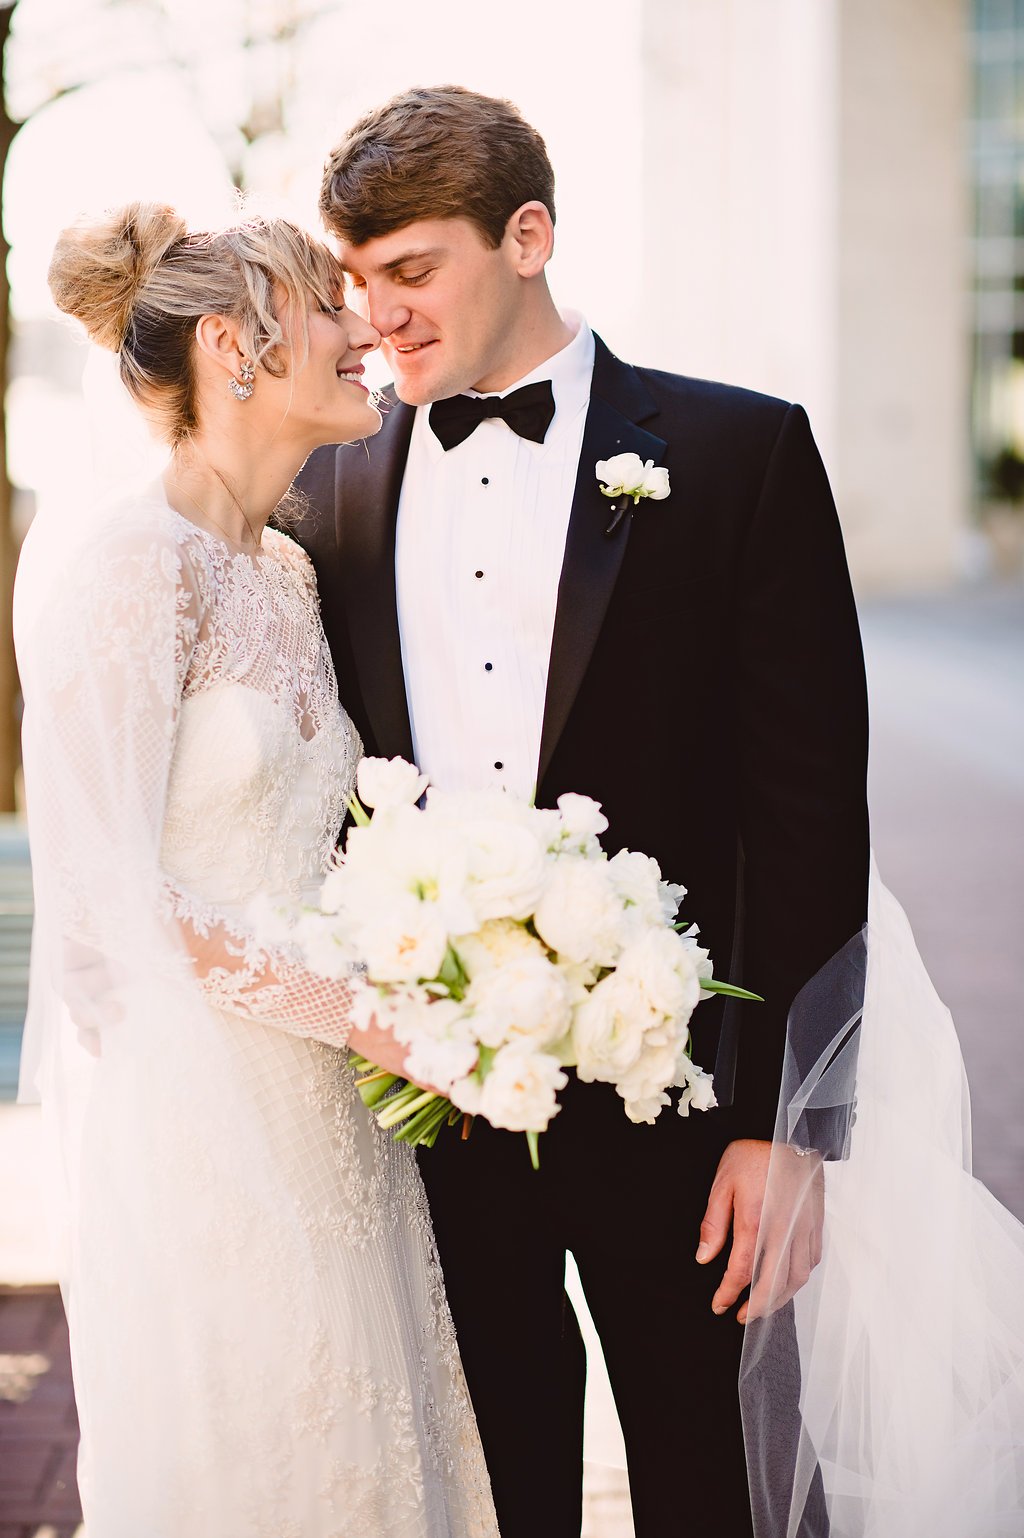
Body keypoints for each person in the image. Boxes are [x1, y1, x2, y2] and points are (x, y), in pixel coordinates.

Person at [294, 84, 870, 1537]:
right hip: (430, 1121)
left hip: (676, 1109)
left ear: (528, 234)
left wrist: (793, 1124)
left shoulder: (741, 457)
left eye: (412, 271)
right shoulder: (325, 488)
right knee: (488, 1496)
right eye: (358, 283)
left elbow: (807, 812)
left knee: (705, 1484)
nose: (380, 320)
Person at [16, 201, 499, 1537]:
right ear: (233, 345)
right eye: (328, 306)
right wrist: (359, 1007)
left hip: (340, 1116)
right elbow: (113, 898)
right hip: (206, 1124)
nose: (364, 333)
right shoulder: (128, 566)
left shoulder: (284, 571)